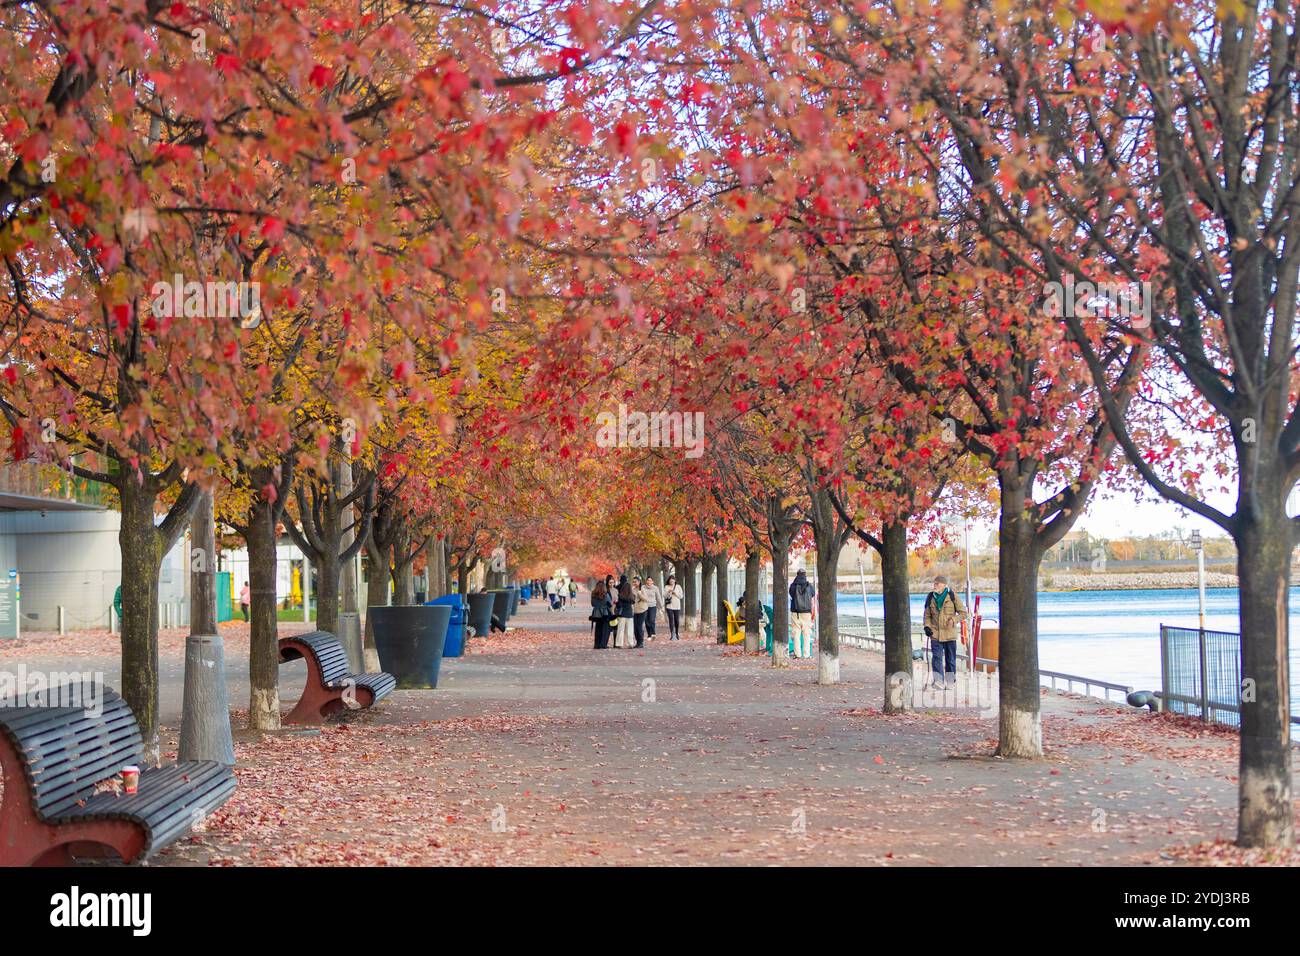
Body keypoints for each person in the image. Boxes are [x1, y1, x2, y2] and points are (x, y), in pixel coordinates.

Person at [923, 575, 967, 689]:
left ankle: (950, 681)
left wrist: (954, 619)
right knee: (936, 658)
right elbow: (927, 616)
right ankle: (938, 682)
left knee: (950, 659)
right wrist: (927, 627)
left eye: (937, 584)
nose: (935, 585)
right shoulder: (930, 597)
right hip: (935, 634)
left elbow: (964, 613)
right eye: (934, 583)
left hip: (949, 634)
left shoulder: (953, 597)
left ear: (944, 585)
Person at [789, 569, 815, 659]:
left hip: (795, 613)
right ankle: (806, 654)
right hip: (807, 613)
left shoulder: (793, 586)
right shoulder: (809, 586)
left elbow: (791, 593)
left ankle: (797, 654)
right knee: (806, 634)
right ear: (805, 575)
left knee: (796, 634)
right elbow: (813, 594)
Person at [590, 580, 614, 648]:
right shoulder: (606, 594)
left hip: (596, 613)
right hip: (605, 613)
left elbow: (592, 604)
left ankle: (597, 644)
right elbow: (610, 604)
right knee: (605, 629)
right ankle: (603, 644)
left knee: (598, 628)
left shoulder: (593, 594)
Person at [613, 575, 635, 648]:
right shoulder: (631, 596)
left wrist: (616, 603)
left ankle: (619, 644)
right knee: (630, 630)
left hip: (622, 614)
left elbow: (618, 604)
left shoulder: (620, 596)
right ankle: (630, 643)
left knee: (620, 630)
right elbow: (633, 602)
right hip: (629, 613)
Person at [640, 575, 661, 640]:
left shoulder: (655, 588)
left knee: (652, 620)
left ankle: (653, 634)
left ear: (652, 582)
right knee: (646, 621)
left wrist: (661, 606)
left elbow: (658, 597)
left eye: (650, 580)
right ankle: (649, 634)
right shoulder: (643, 587)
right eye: (648, 580)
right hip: (645, 606)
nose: (649, 581)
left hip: (653, 606)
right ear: (646, 581)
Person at [663, 575, 684, 640]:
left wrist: (675, 593)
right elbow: (664, 596)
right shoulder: (666, 587)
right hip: (669, 606)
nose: (671, 580)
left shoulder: (678, 587)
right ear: (669, 581)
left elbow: (681, 596)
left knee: (676, 620)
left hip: (677, 606)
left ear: (675, 580)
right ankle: (672, 634)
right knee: (671, 620)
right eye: (670, 579)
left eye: (673, 579)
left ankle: (677, 633)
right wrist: (668, 592)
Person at [631, 576, 648, 648]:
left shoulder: (642, 589)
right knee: (635, 627)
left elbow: (646, 599)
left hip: (642, 610)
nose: (634, 583)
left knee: (639, 626)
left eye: (636, 581)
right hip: (635, 611)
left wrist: (640, 594)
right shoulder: (633, 589)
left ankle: (641, 643)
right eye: (633, 582)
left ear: (639, 582)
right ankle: (637, 642)